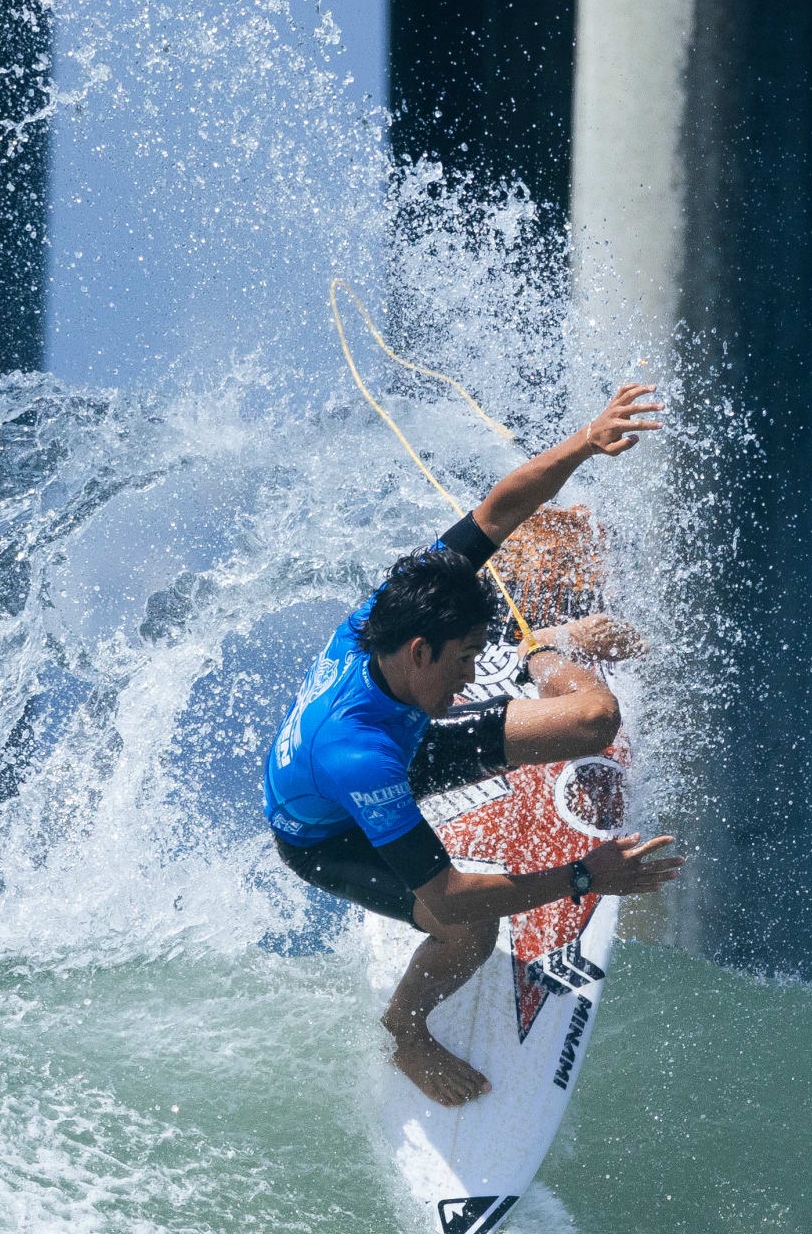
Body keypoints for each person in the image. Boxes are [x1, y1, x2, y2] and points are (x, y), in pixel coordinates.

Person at [266, 385, 686, 1106]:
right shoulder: (356, 754)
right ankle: (404, 1028)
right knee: (470, 930)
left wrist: (587, 439)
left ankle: (548, 648)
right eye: (464, 663)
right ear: (421, 651)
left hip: (411, 739)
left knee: (592, 721)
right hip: (327, 831)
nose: (470, 683)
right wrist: (585, 875)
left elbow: (499, 508)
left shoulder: (391, 612)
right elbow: (452, 897)